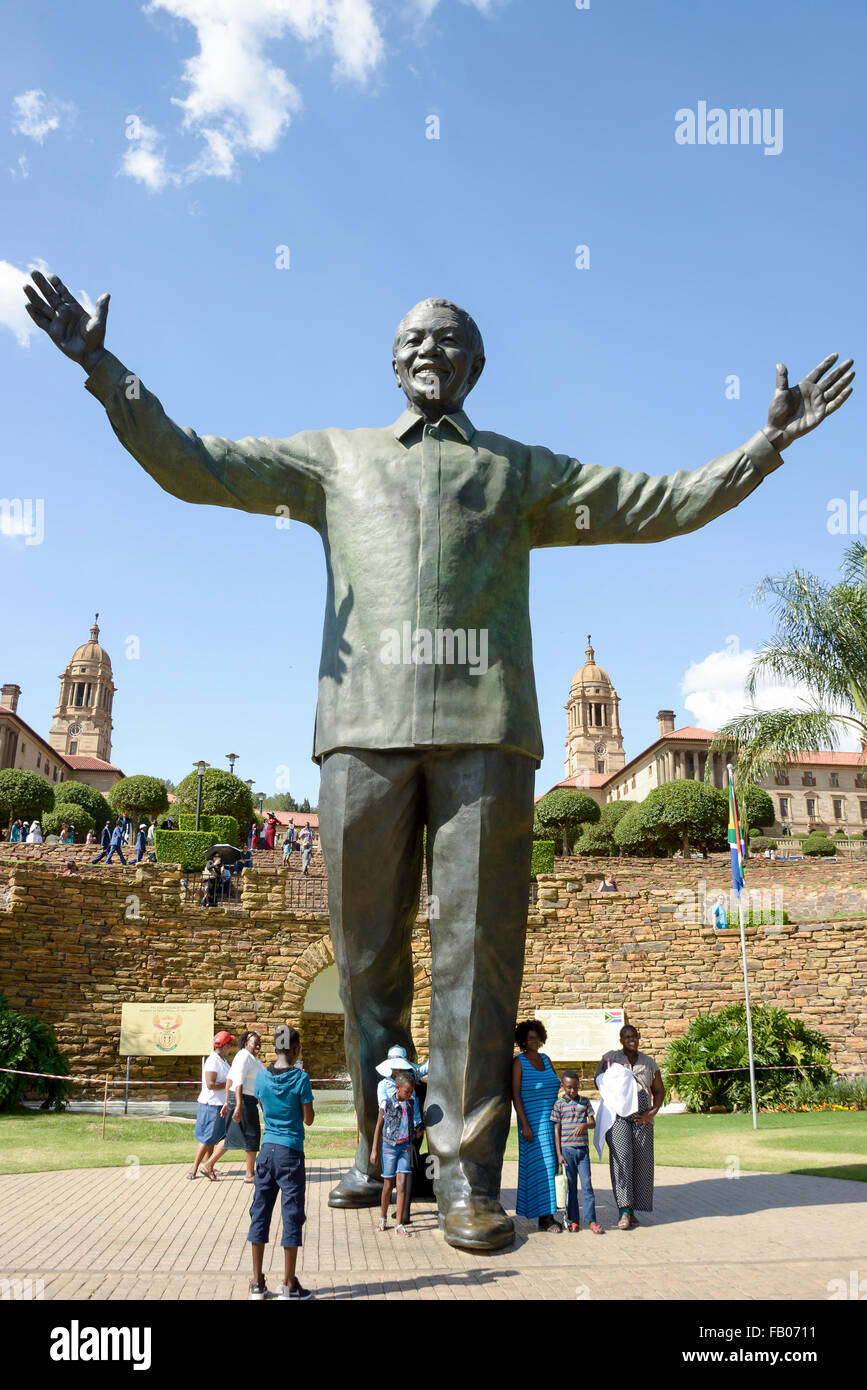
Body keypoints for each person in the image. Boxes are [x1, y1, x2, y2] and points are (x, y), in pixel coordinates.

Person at [28, 274, 854, 1255]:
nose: (430, 350)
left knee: (476, 961)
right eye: (414, 339)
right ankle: (386, 1153)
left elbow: (660, 502)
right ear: (392, 361)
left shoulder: (520, 470)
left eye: (450, 339)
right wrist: (101, 366)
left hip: (486, 736)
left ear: (477, 366)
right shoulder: (332, 460)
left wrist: (764, 447)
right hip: (361, 731)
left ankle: (466, 1176)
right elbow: (194, 463)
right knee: (368, 958)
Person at [248, 1025, 315, 1300]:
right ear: (296, 1049)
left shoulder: (262, 1078)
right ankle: (288, 1283)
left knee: (260, 1212)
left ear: (274, 1048)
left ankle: (257, 1283)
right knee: (291, 1217)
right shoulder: (301, 1079)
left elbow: (264, 1106)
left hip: (266, 1152)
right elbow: (308, 1119)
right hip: (290, 1153)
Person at [595, 1024, 664, 1230]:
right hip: (617, 1116)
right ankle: (624, 1211)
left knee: (642, 1162)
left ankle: (634, 1211)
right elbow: (600, 1082)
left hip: (641, 1116)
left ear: (639, 1037)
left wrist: (650, 1113)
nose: (631, 1039)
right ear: (621, 1039)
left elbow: (659, 1091)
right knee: (622, 1159)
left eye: (634, 1036)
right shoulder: (611, 1058)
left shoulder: (648, 1062)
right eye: (627, 1037)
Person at [512, 1020, 562, 1232]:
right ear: (523, 1040)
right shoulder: (519, 1062)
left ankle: (547, 1214)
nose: (534, 1041)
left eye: (537, 1037)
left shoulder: (546, 1059)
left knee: (552, 1168)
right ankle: (546, 1218)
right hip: (532, 1124)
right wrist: (524, 1124)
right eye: (530, 1037)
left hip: (553, 1124)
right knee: (542, 1168)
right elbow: (515, 1094)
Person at [375, 1045, 431, 1219]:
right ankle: (401, 1211)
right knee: (395, 1174)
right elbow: (384, 1111)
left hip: (414, 1130)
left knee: (408, 1170)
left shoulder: (412, 1076)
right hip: (393, 1135)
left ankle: (404, 1212)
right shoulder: (384, 1085)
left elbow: (429, 1066)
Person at [202, 1031, 263, 1182]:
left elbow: (230, 1079)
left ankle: (208, 1165)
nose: (258, 1046)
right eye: (255, 1043)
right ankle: (249, 1174)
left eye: (259, 1043)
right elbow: (238, 1081)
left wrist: (226, 1103)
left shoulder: (253, 1059)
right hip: (242, 1100)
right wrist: (238, 1105)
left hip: (243, 1100)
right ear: (246, 1043)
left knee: (231, 1135)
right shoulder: (243, 1056)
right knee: (252, 1135)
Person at [370, 1070, 422, 1237]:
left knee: (401, 1185)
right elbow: (379, 1126)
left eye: (411, 1091)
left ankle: (399, 1224)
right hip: (389, 1147)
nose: (409, 1094)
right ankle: (382, 1218)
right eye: (406, 1091)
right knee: (388, 1184)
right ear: (397, 1088)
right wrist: (374, 1150)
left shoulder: (411, 1102)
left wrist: (415, 1133)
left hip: (405, 1147)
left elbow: (409, 1123)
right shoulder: (387, 1103)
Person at [551, 1070, 603, 1234]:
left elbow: (593, 1123)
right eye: (569, 1088)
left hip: (582, 1152)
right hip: (567, 1152)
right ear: (563, 1086)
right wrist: (559, 1154)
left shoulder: (585, 1102)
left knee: (587, 1186)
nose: (572, 1091)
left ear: (579, 1086)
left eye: (575, 1087)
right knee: (571, 1187)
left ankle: (592, 1220)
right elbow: (556, 1129)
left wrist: (585, 1125)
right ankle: (574, 1220)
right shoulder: (559, 1104)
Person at [188, 1031, 234, 1180]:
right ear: (225, 1045)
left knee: (212, 1137)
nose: (231, 1048)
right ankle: (194, 1169)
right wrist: (227, 1084)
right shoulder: (213, 1061)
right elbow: (210, 1084)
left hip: (217, 1104)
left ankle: (209, 1166)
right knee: (206, 1138)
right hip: (211, 1104)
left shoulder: (222, 1060)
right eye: (230, 1044)